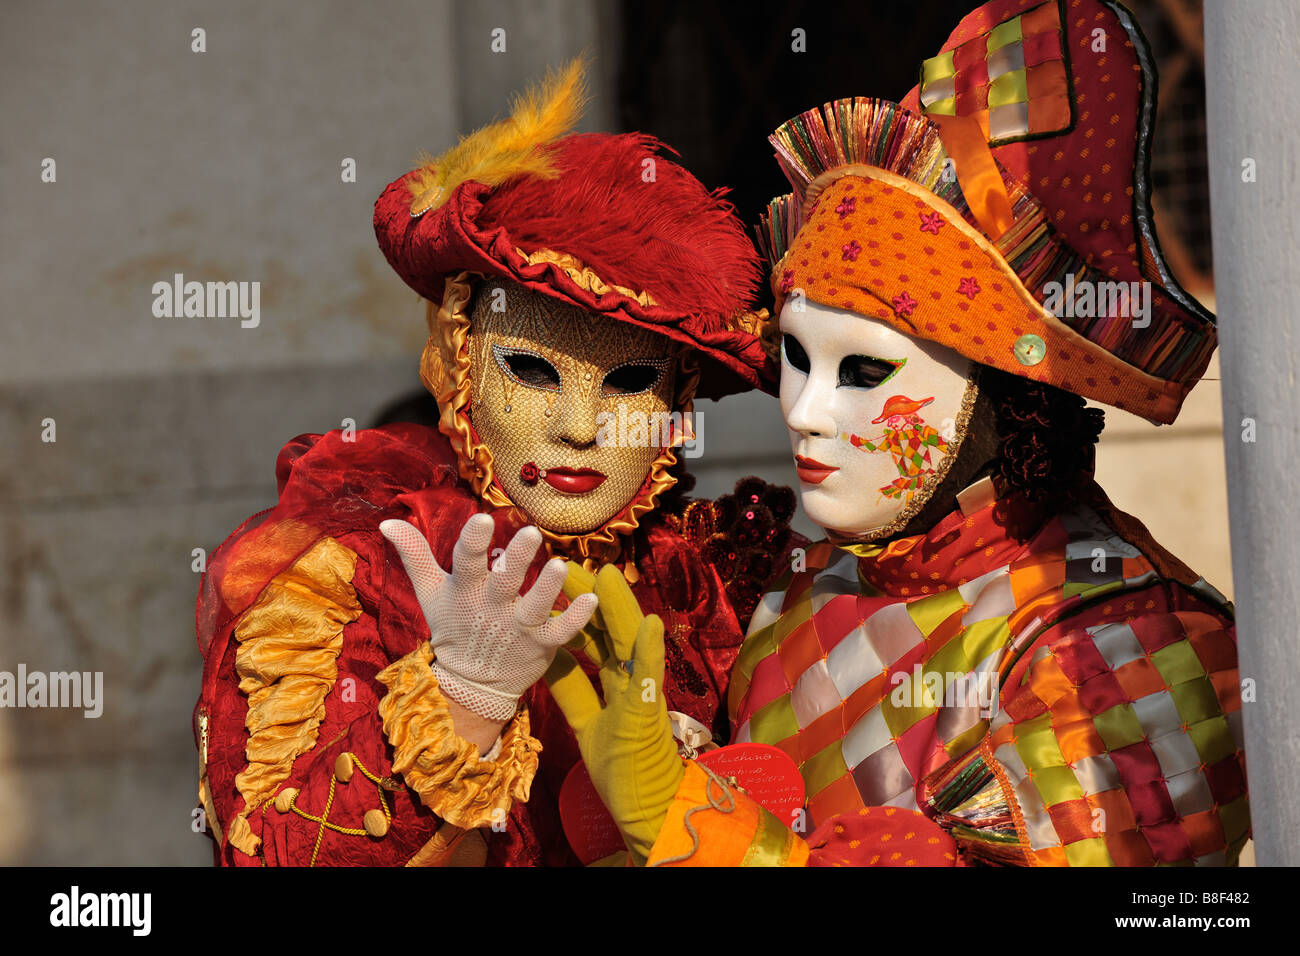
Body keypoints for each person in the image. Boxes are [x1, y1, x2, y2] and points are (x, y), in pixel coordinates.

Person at [549, 0, 1249, 867]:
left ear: (1003, 394)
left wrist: (690, 829)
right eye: (797, 359)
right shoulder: (803, 584)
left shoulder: (1128, 646)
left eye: (865, 371)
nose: (803, 411)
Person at [192, 60, 803, 866]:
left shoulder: (709, 584)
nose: (581, 428)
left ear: (679, 401)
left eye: (627, 383)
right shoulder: (353, 569)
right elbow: (268, 853)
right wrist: (462, 700)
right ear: (458, 360)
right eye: (533, 370)